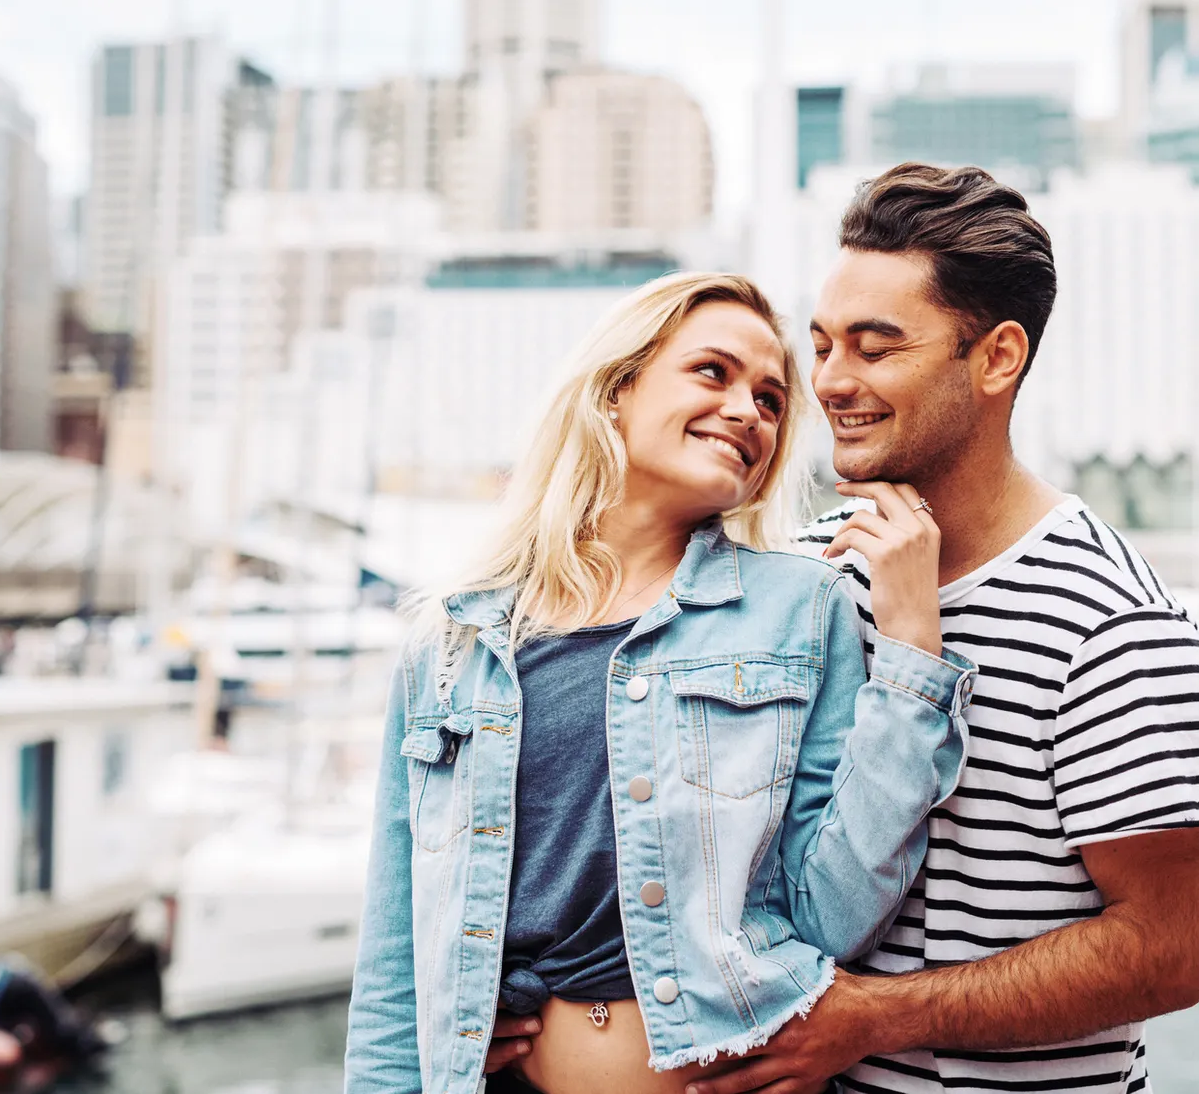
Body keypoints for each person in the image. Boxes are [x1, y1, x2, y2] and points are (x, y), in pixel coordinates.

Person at [344, 271, 979, 1094]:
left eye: (770, 400)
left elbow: (836, 911)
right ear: (617, 389)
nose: (748, 411)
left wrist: (912, 651)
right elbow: (396, 963)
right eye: (713, 372)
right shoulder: (451, 642)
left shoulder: (801, 607)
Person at [685, 164, 1199, 1094]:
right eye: (822, 346)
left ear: (997, 358)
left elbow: (1168, 951)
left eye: (876, 347)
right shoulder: (809, 576)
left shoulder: (1114, 623)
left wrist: (876, 1017)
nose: (832, 382)